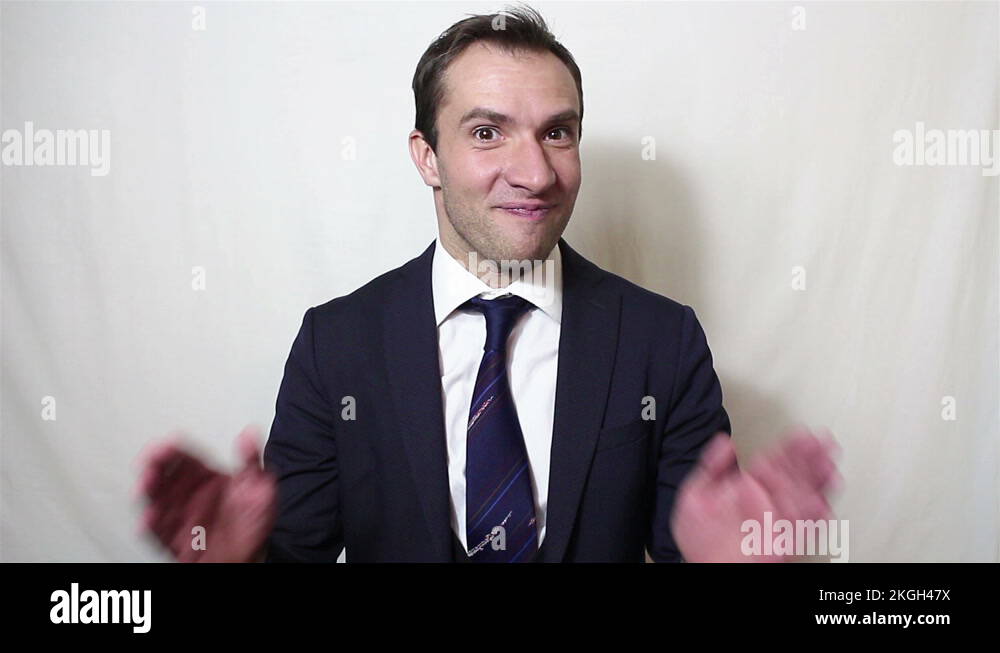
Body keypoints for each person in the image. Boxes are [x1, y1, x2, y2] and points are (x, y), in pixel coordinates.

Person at [136, 5, 840, 563]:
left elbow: (694, 546)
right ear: (427, 157)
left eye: (558, 132)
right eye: (486, 133)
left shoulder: (664, 339)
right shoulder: (336, 344)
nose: (535, 173)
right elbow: (297, 556)